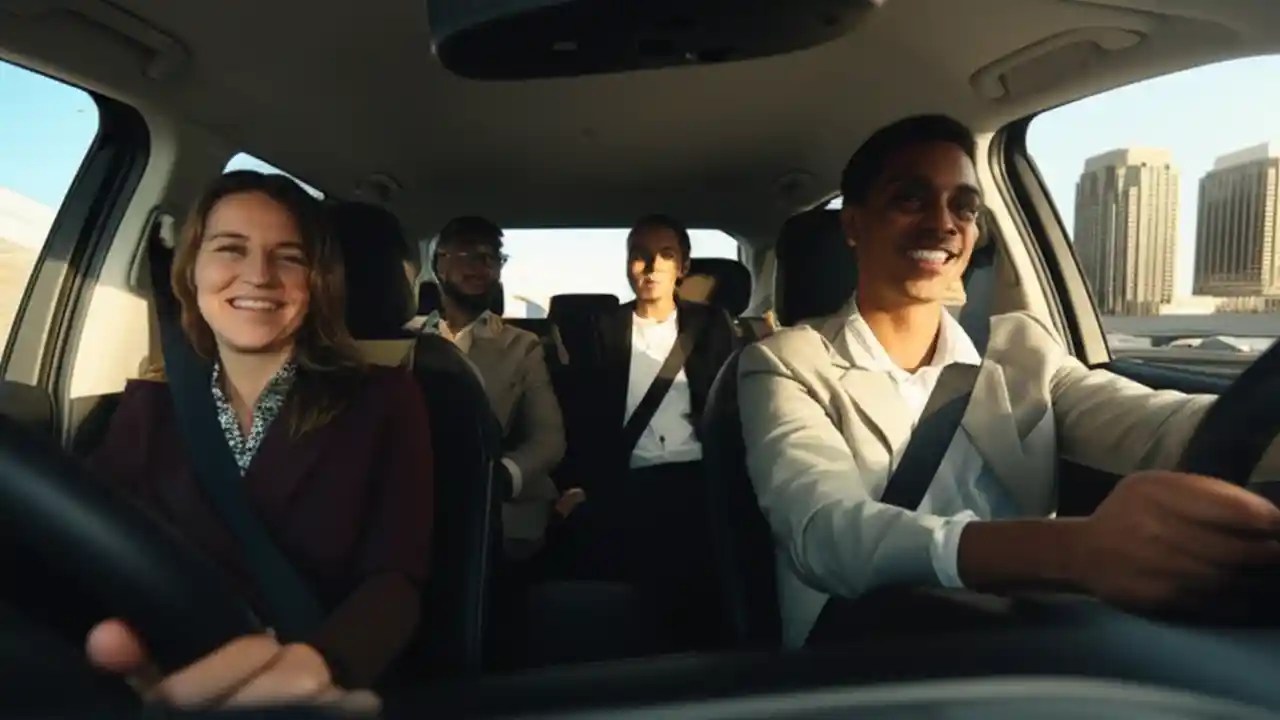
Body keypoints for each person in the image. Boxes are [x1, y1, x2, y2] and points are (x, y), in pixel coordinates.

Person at [737, 114, 1280, 650]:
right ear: (854, 225)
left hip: (1020, 640)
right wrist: (1073, 552)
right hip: (862, 659)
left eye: (965, 207)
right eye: (910, 199)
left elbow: (1160, 424)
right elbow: (829, 533)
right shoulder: (786, 364)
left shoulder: (1023, 352)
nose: (944, 224)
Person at [85, 170, 434, 706]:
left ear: (318, 280)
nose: (259, 275)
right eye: (230, 249)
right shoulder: (149, 405)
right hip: (159, 673)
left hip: (316, 683)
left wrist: (321, 664)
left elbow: (396, 580)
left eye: (289, 256)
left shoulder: (384, 398)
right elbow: (100, 551)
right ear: (191, 270)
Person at [567, 214, 737, 650]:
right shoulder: (600, 328)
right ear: (627, 265)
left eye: (665, 255)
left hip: (696, 477)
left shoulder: (711, 324)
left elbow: (731, 408)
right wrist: (576, 484)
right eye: (639, 256)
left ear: (682, 266)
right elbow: (581, 412)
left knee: (699, 600)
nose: (651, 266)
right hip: (625, 479)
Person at [415, 216, 574, 560]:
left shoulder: (523, 345)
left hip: (493, 510)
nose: (482, 266)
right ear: (439, 264)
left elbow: (548, 440)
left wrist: (498, 478)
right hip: (409, 499)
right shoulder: (404, 341)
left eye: (492, 257)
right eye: (469, 254)